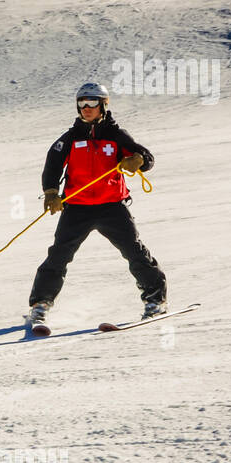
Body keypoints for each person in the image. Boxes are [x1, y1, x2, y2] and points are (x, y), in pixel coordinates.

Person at [27, 83, 166, 331]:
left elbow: (146, 156)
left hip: (112, 206)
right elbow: (53, 164)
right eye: (82, 103)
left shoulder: (116, 135)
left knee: (134, 252)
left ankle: (156, 301)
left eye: (92, 103)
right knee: (58, 256)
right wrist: (51, 193)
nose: (86, 108)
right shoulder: (70, 138)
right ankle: (40, 306)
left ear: (103, 105)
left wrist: (138, 160)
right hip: (77, 208)